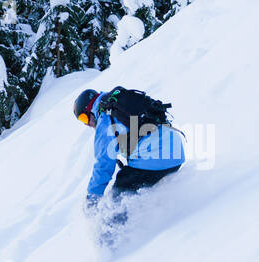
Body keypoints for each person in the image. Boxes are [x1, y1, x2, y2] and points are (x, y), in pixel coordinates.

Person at [74, 87, 185, 243]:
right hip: (176, 152)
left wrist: (92, 198)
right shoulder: (119, 100)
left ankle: (109, 244)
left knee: (116, 200)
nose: (88, 124)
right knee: (132, 178)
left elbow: (103, 165)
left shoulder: (105, 118)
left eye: (85, 119)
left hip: (155, 159)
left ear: (90, 109)